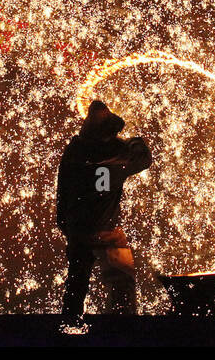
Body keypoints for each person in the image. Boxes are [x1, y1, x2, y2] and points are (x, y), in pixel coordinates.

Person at [55, 99, 153, 326]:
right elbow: (144, 159)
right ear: (108, 136)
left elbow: (62, 192)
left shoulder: (73, 154)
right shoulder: (117, 160)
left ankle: (70, 326)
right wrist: (135, 142)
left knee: (76, 282)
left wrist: (66, 225)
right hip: (106, 230)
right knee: (122, 278)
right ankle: (122, 326)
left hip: (79, 228)